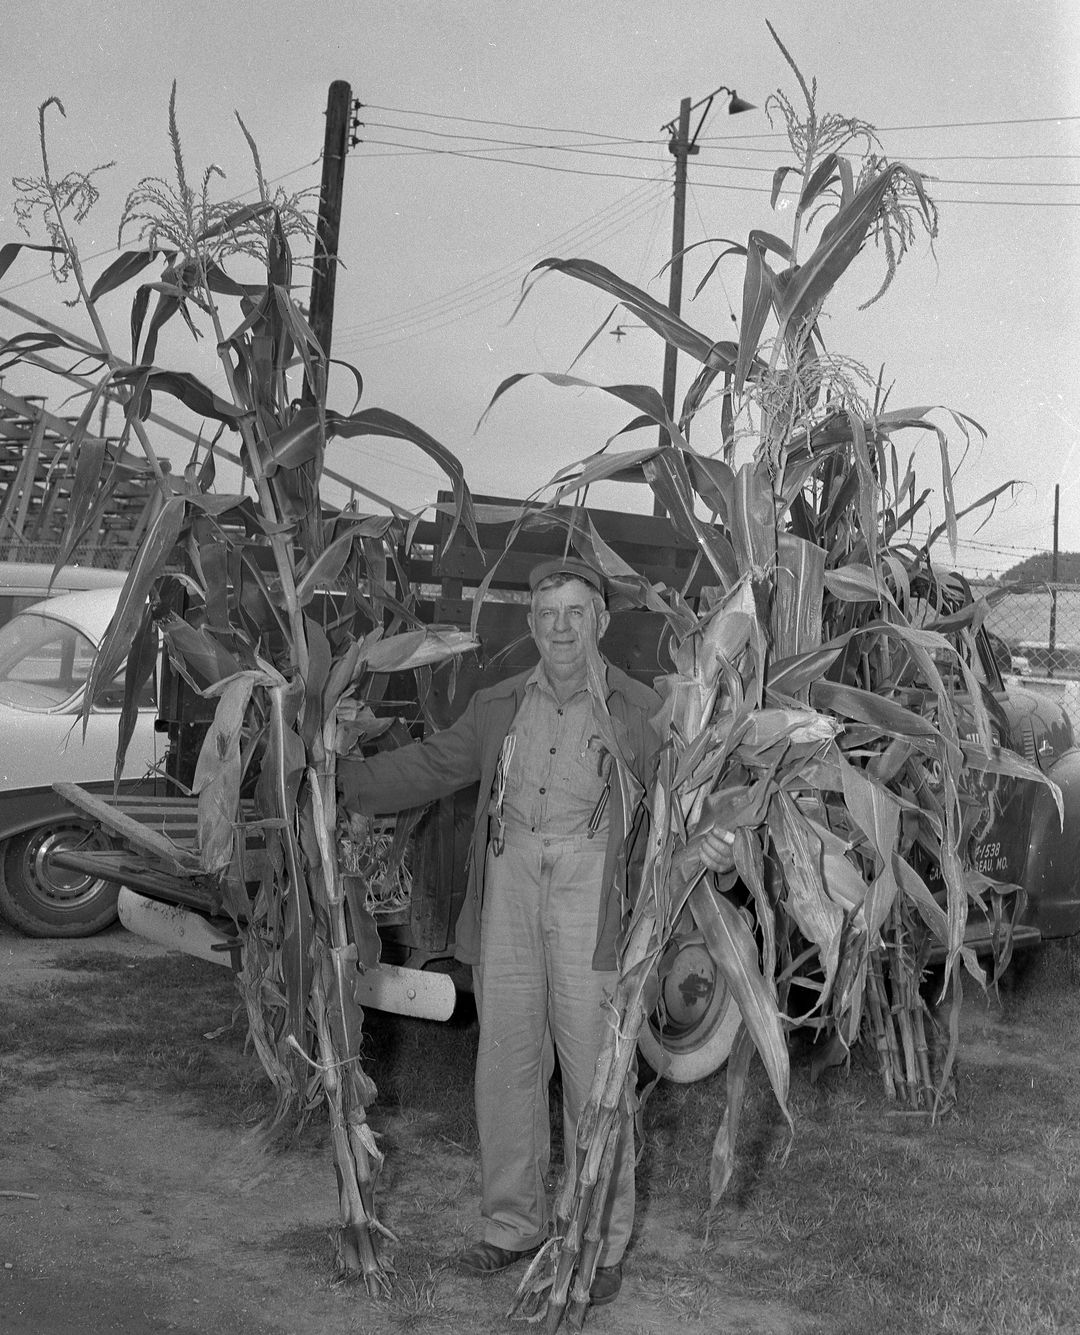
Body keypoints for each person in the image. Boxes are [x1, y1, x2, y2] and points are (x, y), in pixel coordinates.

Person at [337, 555, 735, 1309]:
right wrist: (344, 774)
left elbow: (687, 792)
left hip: (593, 894)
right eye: (547, 612)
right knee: (507, 1064)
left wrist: (715, 838)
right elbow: (431, 765)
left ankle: (600, 1239)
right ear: (530, 623)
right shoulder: (497, 705)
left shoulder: (642, 711)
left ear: (601, 621)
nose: (560, 627)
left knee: (596, 1078)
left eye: (575, 612)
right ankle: (512, 1223)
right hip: (510, 885)